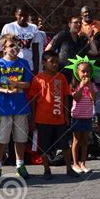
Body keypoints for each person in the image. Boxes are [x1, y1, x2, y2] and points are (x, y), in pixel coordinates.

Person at [0, 34, 32, 182]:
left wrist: (16, 84)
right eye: (11, 45)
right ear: (4, 48)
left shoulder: (24, 63)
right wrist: (5, 90)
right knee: (1, 139)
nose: (15, 48)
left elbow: (27, 83)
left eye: (17, 45)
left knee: (20, 138)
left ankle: (20, 165)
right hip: (4, 107)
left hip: (21, 106)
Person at [29, 51, 76, 179]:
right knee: (44, 147)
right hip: (42, 119)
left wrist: (67, 116)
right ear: (44, 63)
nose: (55, 64)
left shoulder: (61, 78)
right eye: (51, 62)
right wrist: (32, 120)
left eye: (56, 61)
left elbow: (66, 98)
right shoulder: (37, 79)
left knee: (65, 145)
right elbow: (33, 101)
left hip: (59, 119)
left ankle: (69, 168)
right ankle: (46, 170)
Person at [69, 58, 99, 174]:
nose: (85, 74)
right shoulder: (74, 85)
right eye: (83, 71)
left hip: (87, 116)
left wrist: (89, 86)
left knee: (85, 141)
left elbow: (93, 98)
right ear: (77, 72)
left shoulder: (92, 85)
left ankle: (83, 163)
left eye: (88, 71)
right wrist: (81, 86)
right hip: (76, 116)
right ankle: (75, 163)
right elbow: (76, 97)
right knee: (76, 140)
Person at [45, 16, 91, 83]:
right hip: (60, 73)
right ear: (70, 24)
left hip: (75, 77)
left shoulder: (80, 40)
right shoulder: (63, 35)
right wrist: (51, 67)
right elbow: (47, 51)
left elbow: (94, 52)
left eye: (80, 23)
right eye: (75, 22)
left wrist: (87, 37)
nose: (78, 25)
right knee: (58, 93)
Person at [1, 6, 40, 74]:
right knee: (10, 84)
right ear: (16, 14)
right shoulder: (8, 27)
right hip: (12, 65)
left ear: (28, 15)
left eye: (25, 15)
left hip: (29, 66)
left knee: (26, 84)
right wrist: (5, 65)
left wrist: (36, 68)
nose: (23, 18)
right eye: (20, 15)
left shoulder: (33, 28)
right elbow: (3, 48)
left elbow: (36, 50)